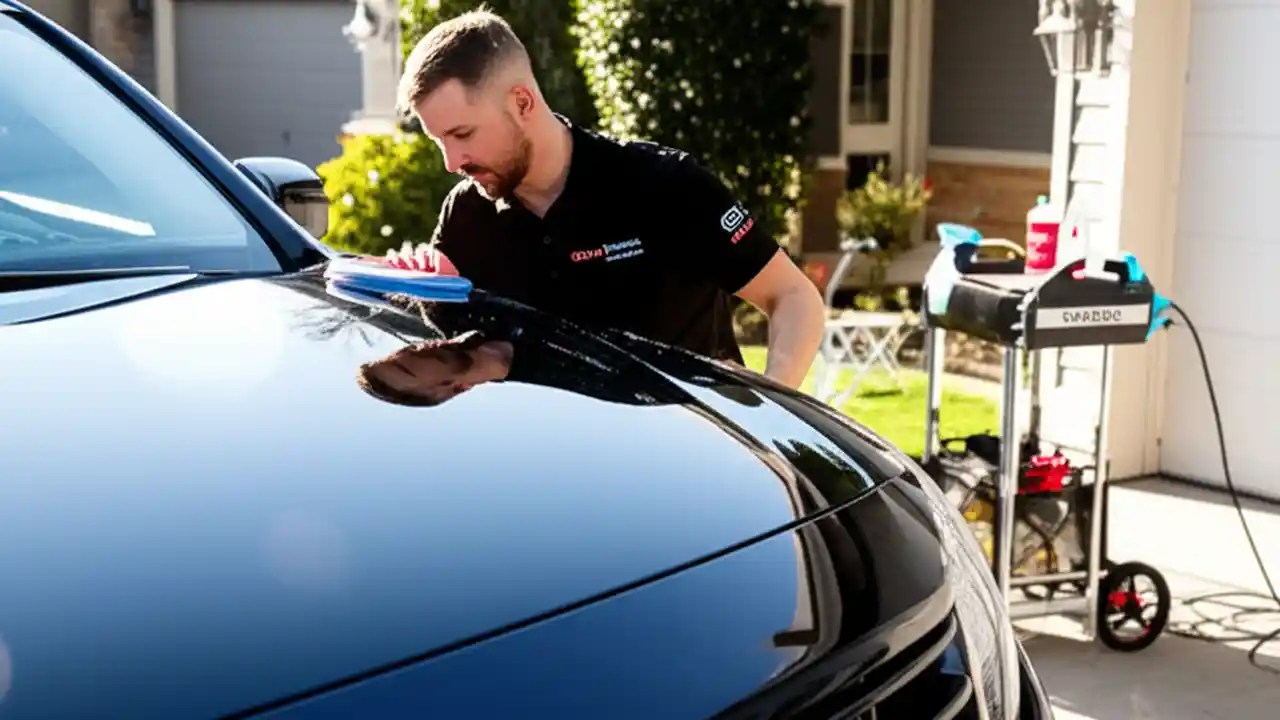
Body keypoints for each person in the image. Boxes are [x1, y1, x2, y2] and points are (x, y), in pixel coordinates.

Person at [380, 9, 825, 390]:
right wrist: (429, 295)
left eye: (462, 134)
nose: (452, 162)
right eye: (440, 141)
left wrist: (766, 415)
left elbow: (792, 295)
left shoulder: (665, 185)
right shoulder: (467, 215)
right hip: (549, 473)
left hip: (687, 466)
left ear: (521, 102)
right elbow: (472, 362)